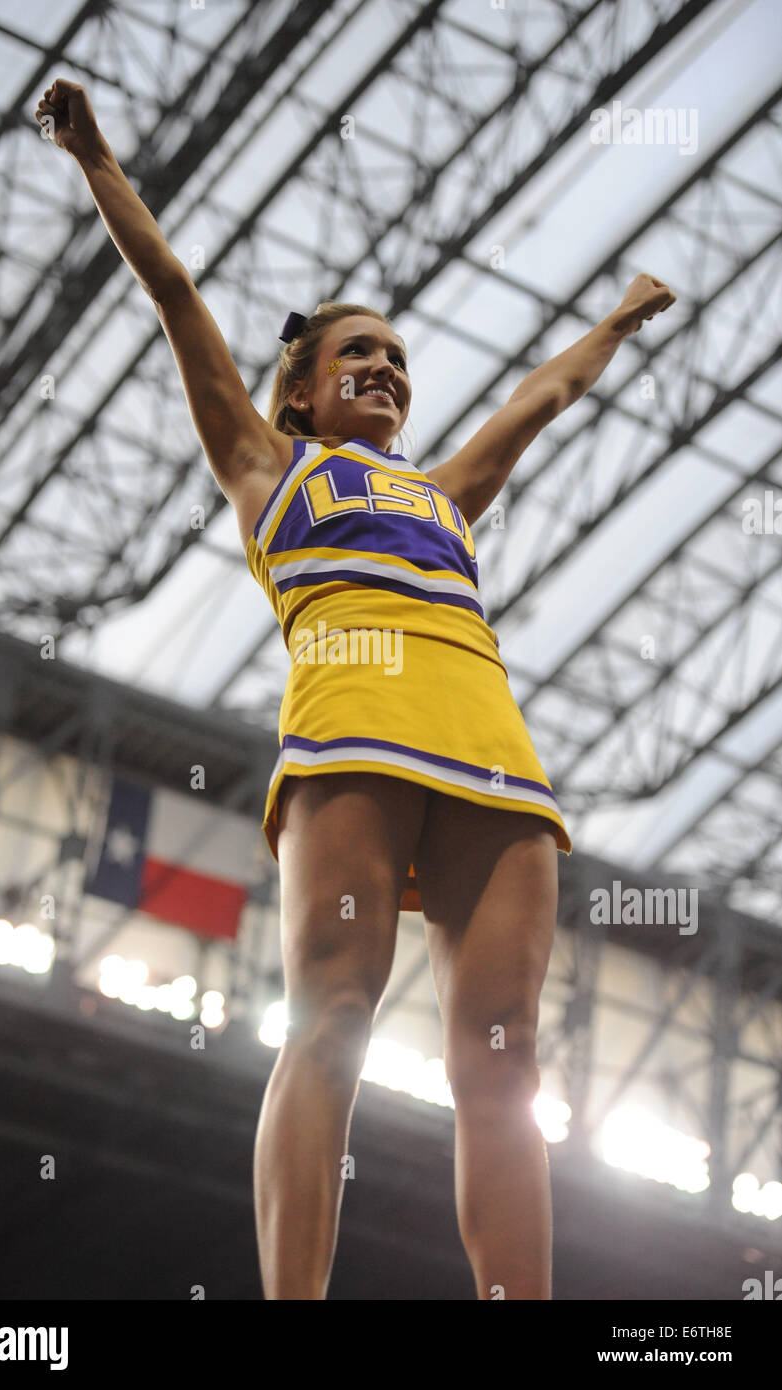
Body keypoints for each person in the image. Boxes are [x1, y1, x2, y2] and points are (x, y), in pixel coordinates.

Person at [36, 79, 676, 1300]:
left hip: (493, 753)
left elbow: (540, 399)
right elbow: (174, 293)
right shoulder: (267, 465)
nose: (384, 368)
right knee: (330, 1018)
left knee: (503, 1062)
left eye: (396, 357)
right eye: (357, 354)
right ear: (301, 389)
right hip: (352, 737)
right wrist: (96, 156)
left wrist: (618, 321)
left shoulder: (440, 492)